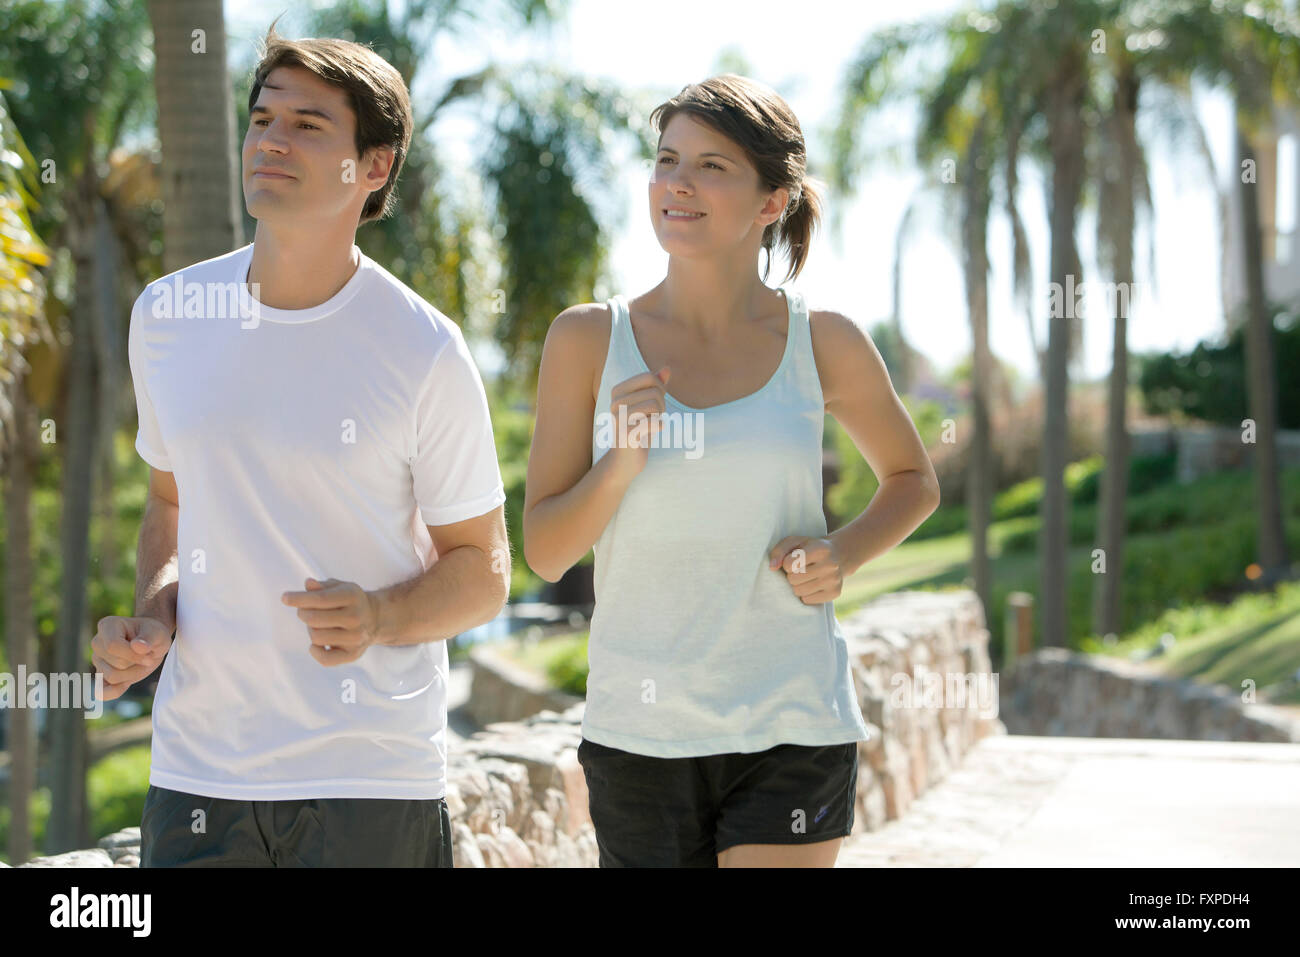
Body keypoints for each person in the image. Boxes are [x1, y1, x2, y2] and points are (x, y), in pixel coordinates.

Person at [91, 26, 509, 867]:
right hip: (198, 771)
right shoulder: (168, 317)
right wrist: (153, 614)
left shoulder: (423, 348)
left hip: (370, 778)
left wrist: (382, 615)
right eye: (261, 118)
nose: (270, 140)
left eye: (308, 125)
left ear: (376, 165)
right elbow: (173, 503)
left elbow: (485, 569)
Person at [523, 74, 941, 867]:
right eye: (667, 159)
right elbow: (544, 550)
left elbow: (913, 480)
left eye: (711, 166)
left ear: (771, 201)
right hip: (637, 732)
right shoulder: (585, 339)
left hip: (791, 719)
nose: (677, 183)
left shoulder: (825, 340)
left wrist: (842, 553)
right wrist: (620, 463)